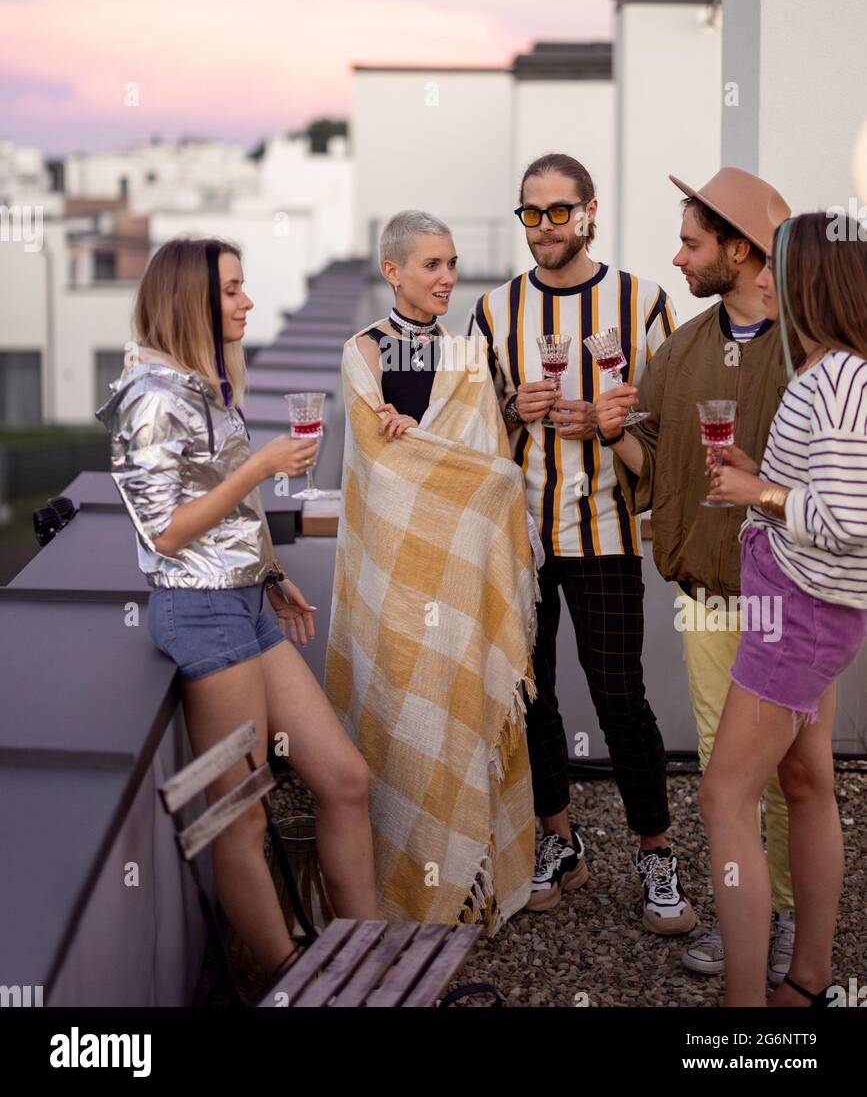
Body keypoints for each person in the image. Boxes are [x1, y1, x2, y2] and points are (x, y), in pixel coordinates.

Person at [97, 237, 378, 977]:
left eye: (243, 287)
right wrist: (259, 465)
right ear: (190, 298)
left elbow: (218, 510)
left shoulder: (201, 383)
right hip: (199, 616)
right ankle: (289, 979)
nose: (246, 301)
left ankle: (367, 959)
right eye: (231, 290)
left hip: (244, 605)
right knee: (239, 815)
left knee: (345, 780)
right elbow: (163, 529)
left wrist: (270, 568)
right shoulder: (153, 397)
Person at [467, 153, 695, 934]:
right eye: (530, 214)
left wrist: (613, 421)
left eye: (558, 212)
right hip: (518, 538)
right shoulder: (494, 312)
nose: (543, 228)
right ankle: (559, 841)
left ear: (589, 212)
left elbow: (675, 439)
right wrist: (507, 408)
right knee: (529, 697)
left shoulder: (643, 301)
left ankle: (656, 854)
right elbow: (463, 439)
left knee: (620, 699)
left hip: (603, 530)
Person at [596, 166, 798, 983]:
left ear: (740, 249)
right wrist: (615, 432)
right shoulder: (679, 350)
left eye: (690, 243)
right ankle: (744, 919)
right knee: (724, 768)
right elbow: (661, 478)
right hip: (708, 601)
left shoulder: (814, 347)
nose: (676, 260)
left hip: (794, 602)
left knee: (791, 774)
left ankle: (781, 922)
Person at [325, 210, 537, 932]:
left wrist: (425, 446)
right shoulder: (362, 355)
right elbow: (378, 475)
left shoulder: (468, 359)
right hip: (391, 578)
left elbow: (492, 474)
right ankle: (399, 899)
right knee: (398, 716)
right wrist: (415, 454)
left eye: (450, 264)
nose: (447, 277)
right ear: (393, 271)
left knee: (457, 711)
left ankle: (462, 896)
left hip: (460, 580)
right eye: (431, 266)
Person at [697, 211, 867, 1008]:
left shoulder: (834, 382)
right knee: (804, 783)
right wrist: (759, 471)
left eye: (776, 267)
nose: (762, 279)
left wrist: (754, 491)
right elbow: (829, 497)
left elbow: (848, 522)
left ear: (810, 282)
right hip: (806, 608)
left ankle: (744, 1019)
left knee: (722, 797)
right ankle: (806, 982)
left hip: (796, 612)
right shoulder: (838, 372)